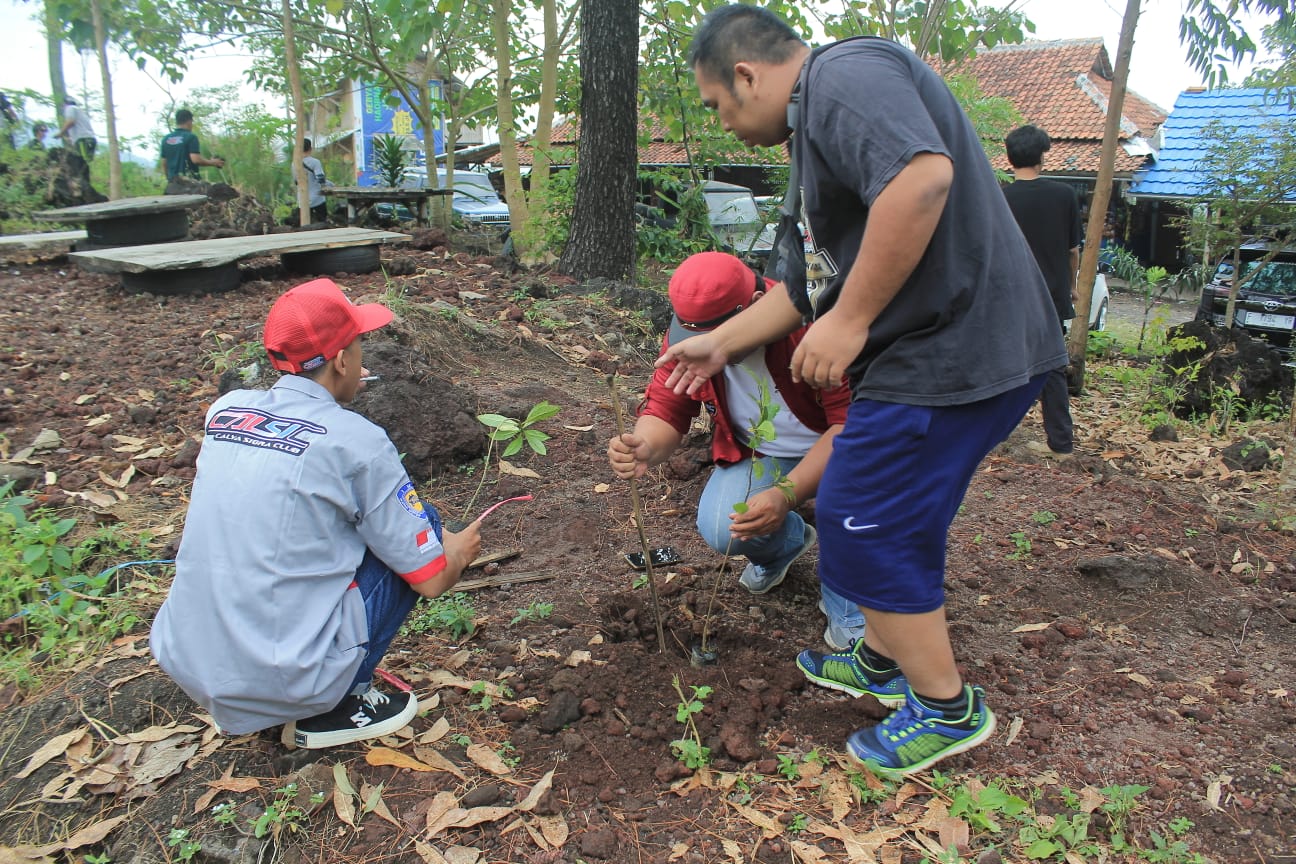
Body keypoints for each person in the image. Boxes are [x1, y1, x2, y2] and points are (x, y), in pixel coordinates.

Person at [666, 6, 1067, 776]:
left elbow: (922, 180)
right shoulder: (814, 134)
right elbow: (807, 288)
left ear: (747, 75)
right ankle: (881, 661)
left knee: (861, 516)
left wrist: (849, 321)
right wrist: (721, 342)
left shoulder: (841, 75)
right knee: (892, 508)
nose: (722, 124)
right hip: (950, 351)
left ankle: (944, 708)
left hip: (951, 349)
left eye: (717, 105)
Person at [150, 278, 482, 748]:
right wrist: (458, 552)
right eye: (359, 345)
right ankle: (337, 705)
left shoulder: (226, 411)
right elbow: (430, 580)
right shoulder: (357, 440)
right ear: (343, 361)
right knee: (418, 525)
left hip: (188, 658)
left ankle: (266, 684)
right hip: (288, 677)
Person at [607, 251, 865, 649]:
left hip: (844, 450)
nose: (706, 350)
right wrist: (644, 446)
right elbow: (667, 406)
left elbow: (852, 428)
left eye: (717, 337)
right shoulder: (687, 339)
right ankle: (787, 544)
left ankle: (852, 606)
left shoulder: (816, 328)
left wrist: (786, 493)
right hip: (765, 454)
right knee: (724, 526)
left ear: (758, 306)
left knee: (852, 506)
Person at [1003, 125, 1081, 459]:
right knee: (1051, 367)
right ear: (1042, 156)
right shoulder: (1064, 195)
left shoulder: (1000, 197)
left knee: (1003, 365)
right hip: (1050, 295)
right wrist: (1072, 286)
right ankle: (1060, 444)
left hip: (1010, 297)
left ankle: (992, 436)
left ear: (1009, 158)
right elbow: (1072, 251)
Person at [160, 108, 225, 180]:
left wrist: (169, 179)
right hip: (189, 181)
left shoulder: (165, 139)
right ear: (189, 121)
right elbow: (196, 159)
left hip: (173, 182)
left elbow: (164, 163)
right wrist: (213, 162)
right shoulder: (190, 137)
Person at [301, 138, 332, 223]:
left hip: (302, 201)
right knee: (323, 223)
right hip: (317, 199)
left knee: (306, 224)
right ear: (310, 149)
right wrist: (331, 185)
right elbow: (321, 179)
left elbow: (296, 181)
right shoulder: (315, 162)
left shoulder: (294, 164)